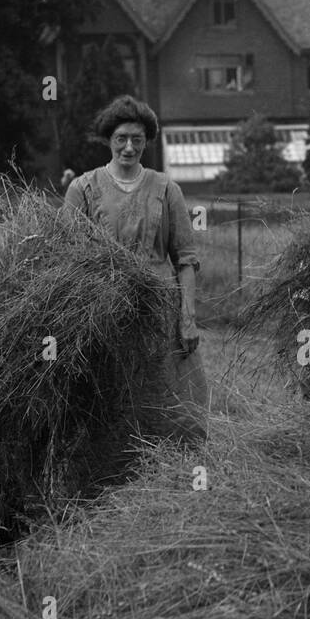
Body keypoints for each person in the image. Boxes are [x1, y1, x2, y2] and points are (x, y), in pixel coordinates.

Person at [62, 95, 208, 442]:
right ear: (108, 141)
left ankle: (169, 470)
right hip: (104, 313)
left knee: (171, 401)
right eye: (121, 139)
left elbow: (185, 259)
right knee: (109, 402)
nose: (129, 148)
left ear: (147, 142)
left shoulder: (166, 189)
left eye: (137, 140)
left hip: (159, 313)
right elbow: (66, 258)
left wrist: (187, 318)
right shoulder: (82, 189)